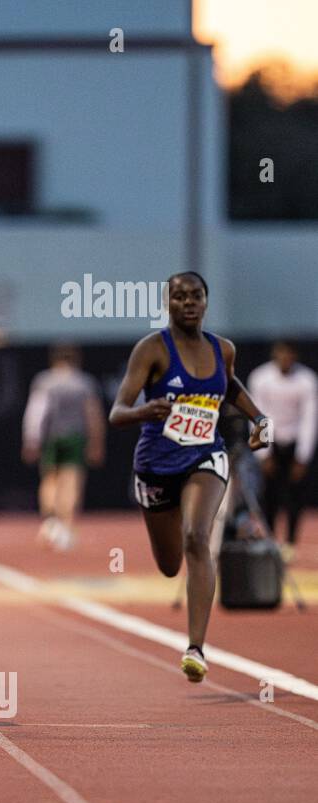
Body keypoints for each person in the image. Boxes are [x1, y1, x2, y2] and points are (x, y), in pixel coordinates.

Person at [109, 272, 269, 683]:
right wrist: (148, 410)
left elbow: (228, 385)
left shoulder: (223, 349)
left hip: (205, 455)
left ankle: (196, 648)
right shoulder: (151, 350)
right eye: (179, 296)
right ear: (168, 303)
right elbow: (117, 412)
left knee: (198, 538)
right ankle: (174, 538)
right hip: (156, 464)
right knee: (169, 564)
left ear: (206, 301)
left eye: (195, 295)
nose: (188, 303)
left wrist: (258, 418)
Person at [21, 343, 105, 551]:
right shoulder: (83, 383)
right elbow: (92, 414)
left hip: (52, 437)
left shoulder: (45, 381)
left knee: (50, 479)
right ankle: (65, 527)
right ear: (76, 359)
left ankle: (50, 522)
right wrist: (96, 442)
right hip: (75, 437)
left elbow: (36, 413)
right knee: (71, 481)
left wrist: (31, 440)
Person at [246, 340, 317, 550]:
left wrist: (302, 457)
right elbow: (257, 414)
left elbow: (309, 419)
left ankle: (290, 542)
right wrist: (263, 453)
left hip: (294, 441)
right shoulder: (261, 378)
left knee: (295, 495)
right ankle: (269, 539)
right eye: (281, 353)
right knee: (269, 495)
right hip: (271, 441)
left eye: (289, 354)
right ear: (275, 354)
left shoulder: (306, 380)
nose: (285, 358)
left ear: (295, 356)